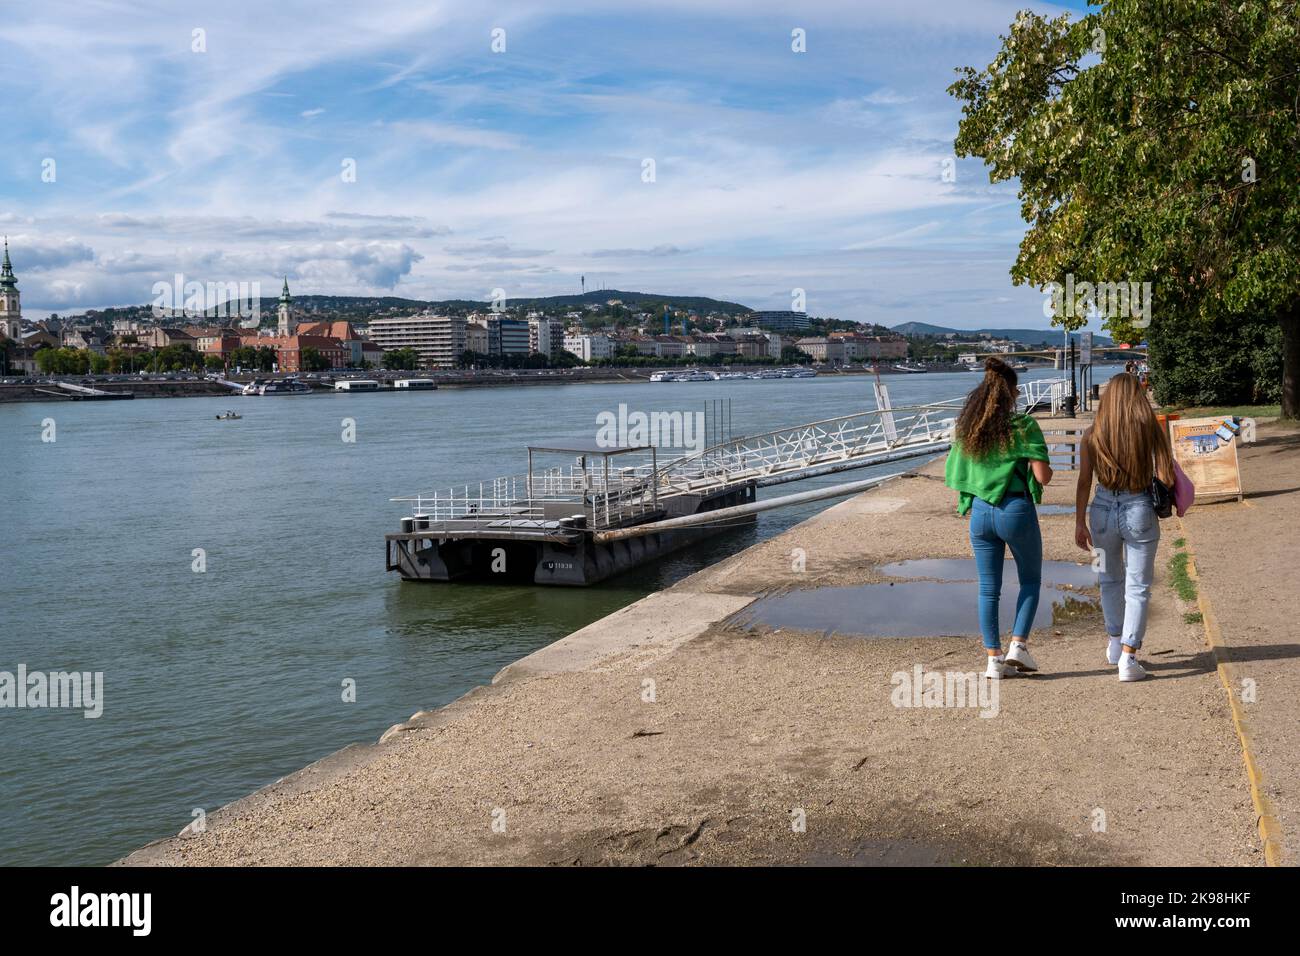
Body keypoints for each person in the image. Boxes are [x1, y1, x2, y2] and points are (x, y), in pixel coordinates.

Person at [945, 357, 1054, 678]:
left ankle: (993, 660)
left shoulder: (969, 432)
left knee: (988, 588)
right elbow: (1043, 477)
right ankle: (1018, 646)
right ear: (1010, 393)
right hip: (1015, 509)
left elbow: (956, 470)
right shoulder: (1023, 427)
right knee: (1030, 580)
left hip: (980, 512)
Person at [1074, 372, 1175, 682]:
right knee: (1138, 586)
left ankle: (1115, 643)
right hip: (1139, 511)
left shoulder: (1092, 435)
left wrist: (1079, 522)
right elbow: (1167, 475)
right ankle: (1129, 658)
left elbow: (1083, 482)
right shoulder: (1151, 431)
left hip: (1101, 513)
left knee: (1108, 580)